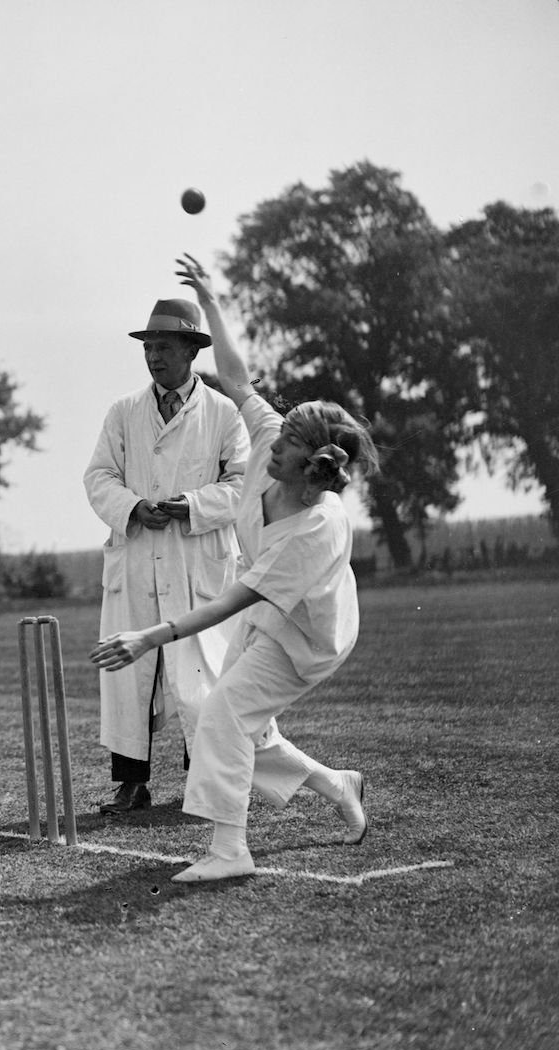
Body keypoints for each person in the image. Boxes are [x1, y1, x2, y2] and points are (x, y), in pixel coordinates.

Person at [90, 254, 378, 883]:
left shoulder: (315, 529)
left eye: (282, 454)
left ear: (311, 471)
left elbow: (236, 600)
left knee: (222, 713)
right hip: (266, 611)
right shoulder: (278, 440)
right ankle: (336, 786)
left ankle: (229, 850)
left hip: (309, 634)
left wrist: (149, 637)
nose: (266, 454)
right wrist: (214, 303)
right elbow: (241, 379)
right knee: (249, 725)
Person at [83, 295, 250, 813]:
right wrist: (133, 508)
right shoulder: (124, 411)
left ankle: (204, 781)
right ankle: (130, 785)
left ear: (192, 351)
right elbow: (98, 477)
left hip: (196, 562)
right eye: (148, 347)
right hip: (134, 560)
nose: (154, 357)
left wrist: (191, 506)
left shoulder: (224, 413)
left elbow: (243, 484)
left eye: (164, 347)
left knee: (200, 673)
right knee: (127, 673)